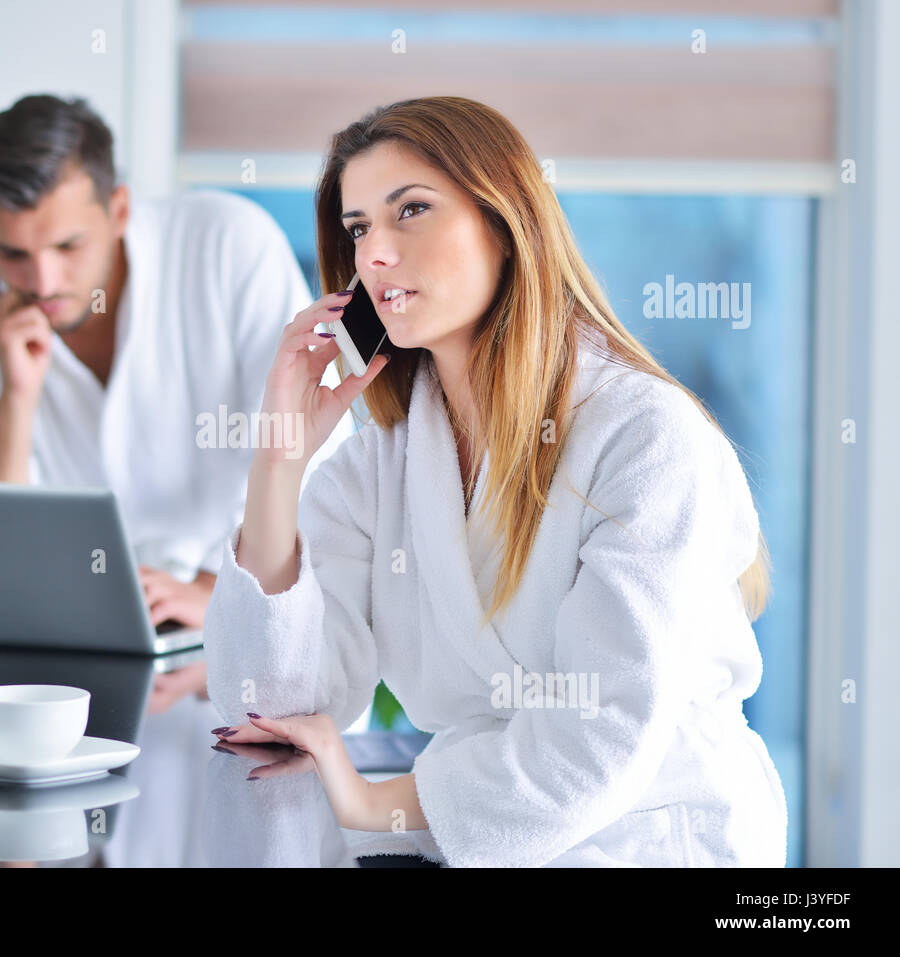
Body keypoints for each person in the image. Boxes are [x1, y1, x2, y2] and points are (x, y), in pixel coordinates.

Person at [203, 96, 788, 867]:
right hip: (476, 839)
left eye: (409, 210)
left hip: (661, 840)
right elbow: (268, 705)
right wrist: (280, 459)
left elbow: (603, 730)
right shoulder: (378, 468)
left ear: (506, 226)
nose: (374, 253)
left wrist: (377, 803)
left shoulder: (645, 435)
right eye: (357, 228)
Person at [0, 95, 351, 709]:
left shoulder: (226, 244)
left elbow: (309, 444)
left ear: (120, 208)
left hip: (254, 636)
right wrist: (18, 399)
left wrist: (216, 587)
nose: (43, 282)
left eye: (68, 246)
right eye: (13, 255)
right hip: (87, 665)